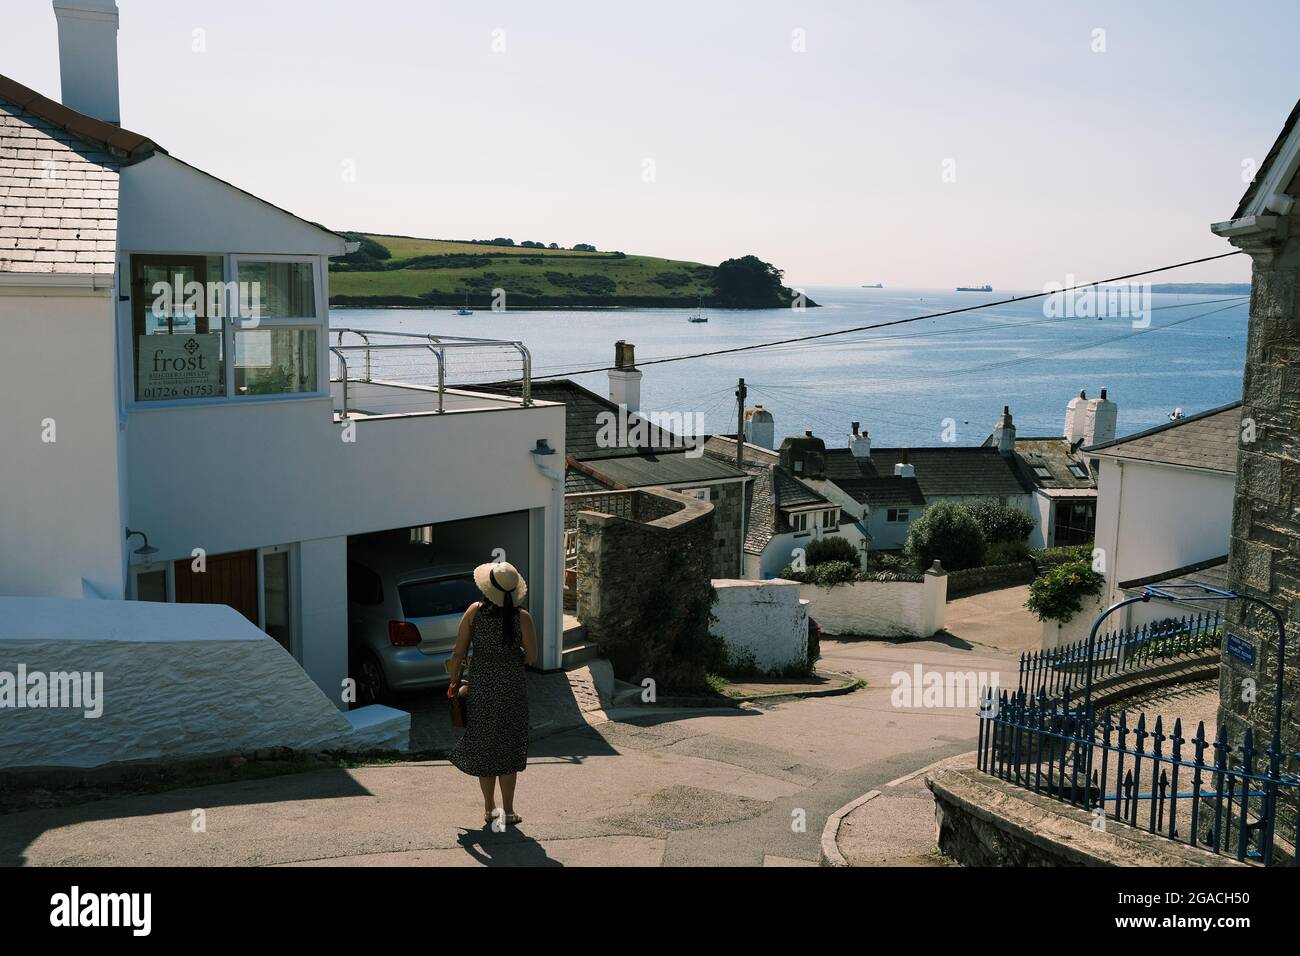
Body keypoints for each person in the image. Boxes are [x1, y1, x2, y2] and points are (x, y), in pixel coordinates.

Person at [447, 561, 537, 826]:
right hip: (512, 690)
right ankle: (508, 812)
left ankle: (490, 810)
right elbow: (532, 657)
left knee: (486, 747)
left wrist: (454, 682)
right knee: (508, 747)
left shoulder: (474, 612)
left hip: (481, 688)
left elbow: (458, 652)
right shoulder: (522, 618)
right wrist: (510, 657)